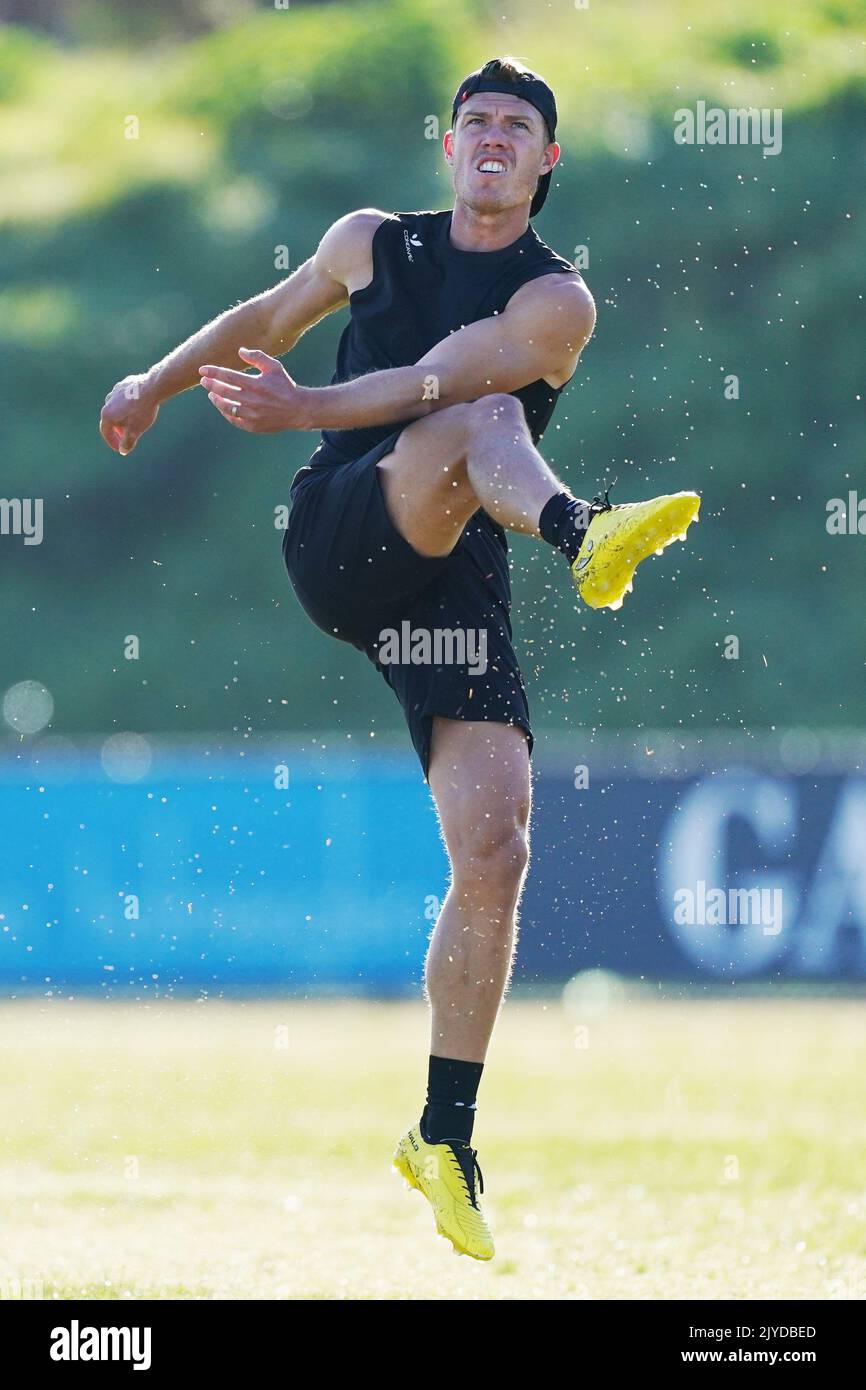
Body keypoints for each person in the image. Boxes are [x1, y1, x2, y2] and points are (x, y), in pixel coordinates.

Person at [100, 56, 699, 1261]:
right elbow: (267, 323)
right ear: (446, 143)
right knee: (480, 431)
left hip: (457, 565)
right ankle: (584, 536)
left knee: (497, 847)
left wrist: (300, 406)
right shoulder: (373, 240)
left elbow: (436, 378)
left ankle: (443, 1136)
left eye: (515, 126)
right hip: (344, 532)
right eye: (473, 119)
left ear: (546, 161)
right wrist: (154, 383)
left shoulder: (555, 304)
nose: (491, 137)